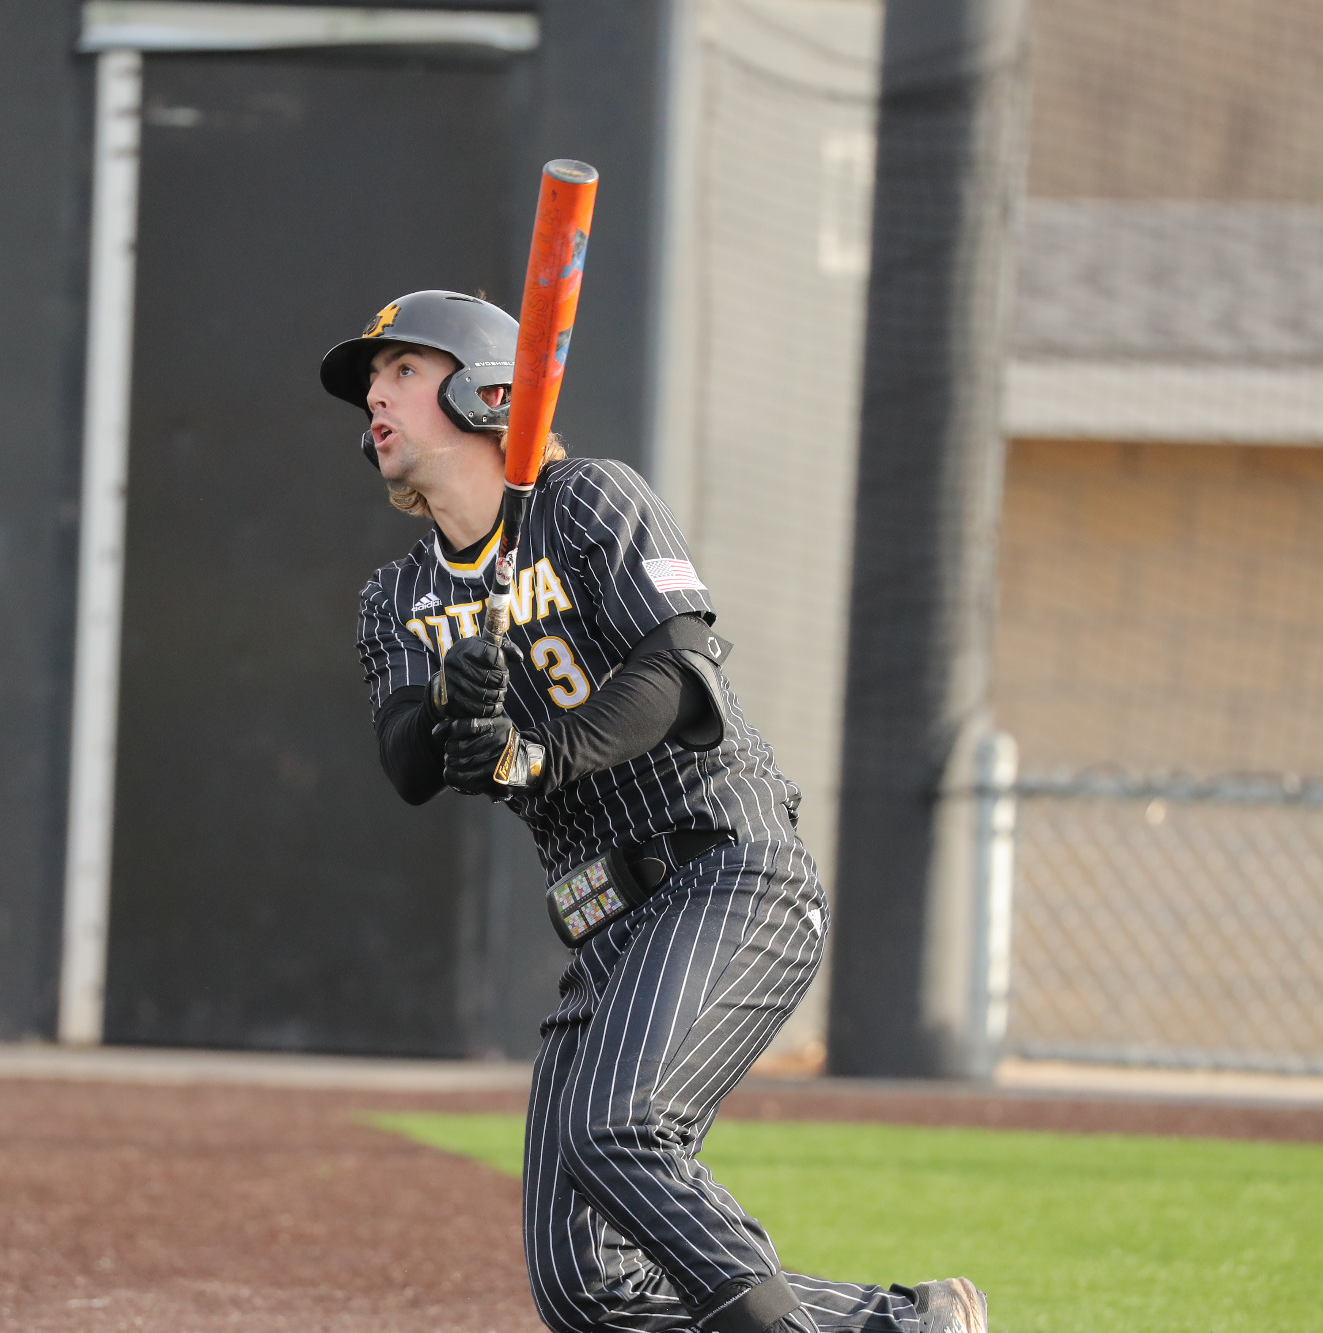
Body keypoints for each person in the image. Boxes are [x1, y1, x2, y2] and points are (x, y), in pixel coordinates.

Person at [329, 291, 988, 1333]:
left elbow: (679, 676)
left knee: (618, 1129)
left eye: (402, 369)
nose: (373, 393)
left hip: (723, 871)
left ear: (484, 389)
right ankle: (903, 1325)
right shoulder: (399, 595)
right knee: (584, 1290)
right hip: (605, 926)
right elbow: (411, 762)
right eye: (370, 382)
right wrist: (459, 702)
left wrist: (540, 752)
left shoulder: (588, 498)